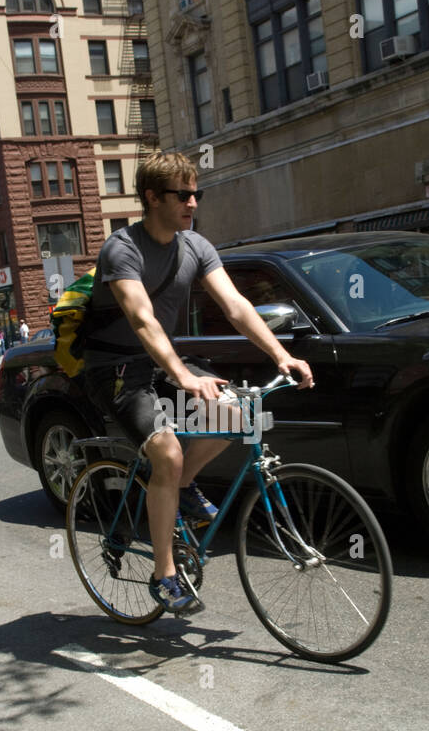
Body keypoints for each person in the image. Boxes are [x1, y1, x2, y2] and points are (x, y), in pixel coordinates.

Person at [82, 150, 313, 614]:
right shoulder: (122, 249)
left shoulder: (196, 246)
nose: (193, 202)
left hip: (164, 363)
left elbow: (237, 306)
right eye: (182, 194)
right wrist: (185, 376)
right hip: (117, 371)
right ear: (151, 197)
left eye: (196, 193)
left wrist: (282, 354)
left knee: (237, 415)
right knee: (165, 452)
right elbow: (143, 320)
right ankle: (164, 574)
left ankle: (180, 487)